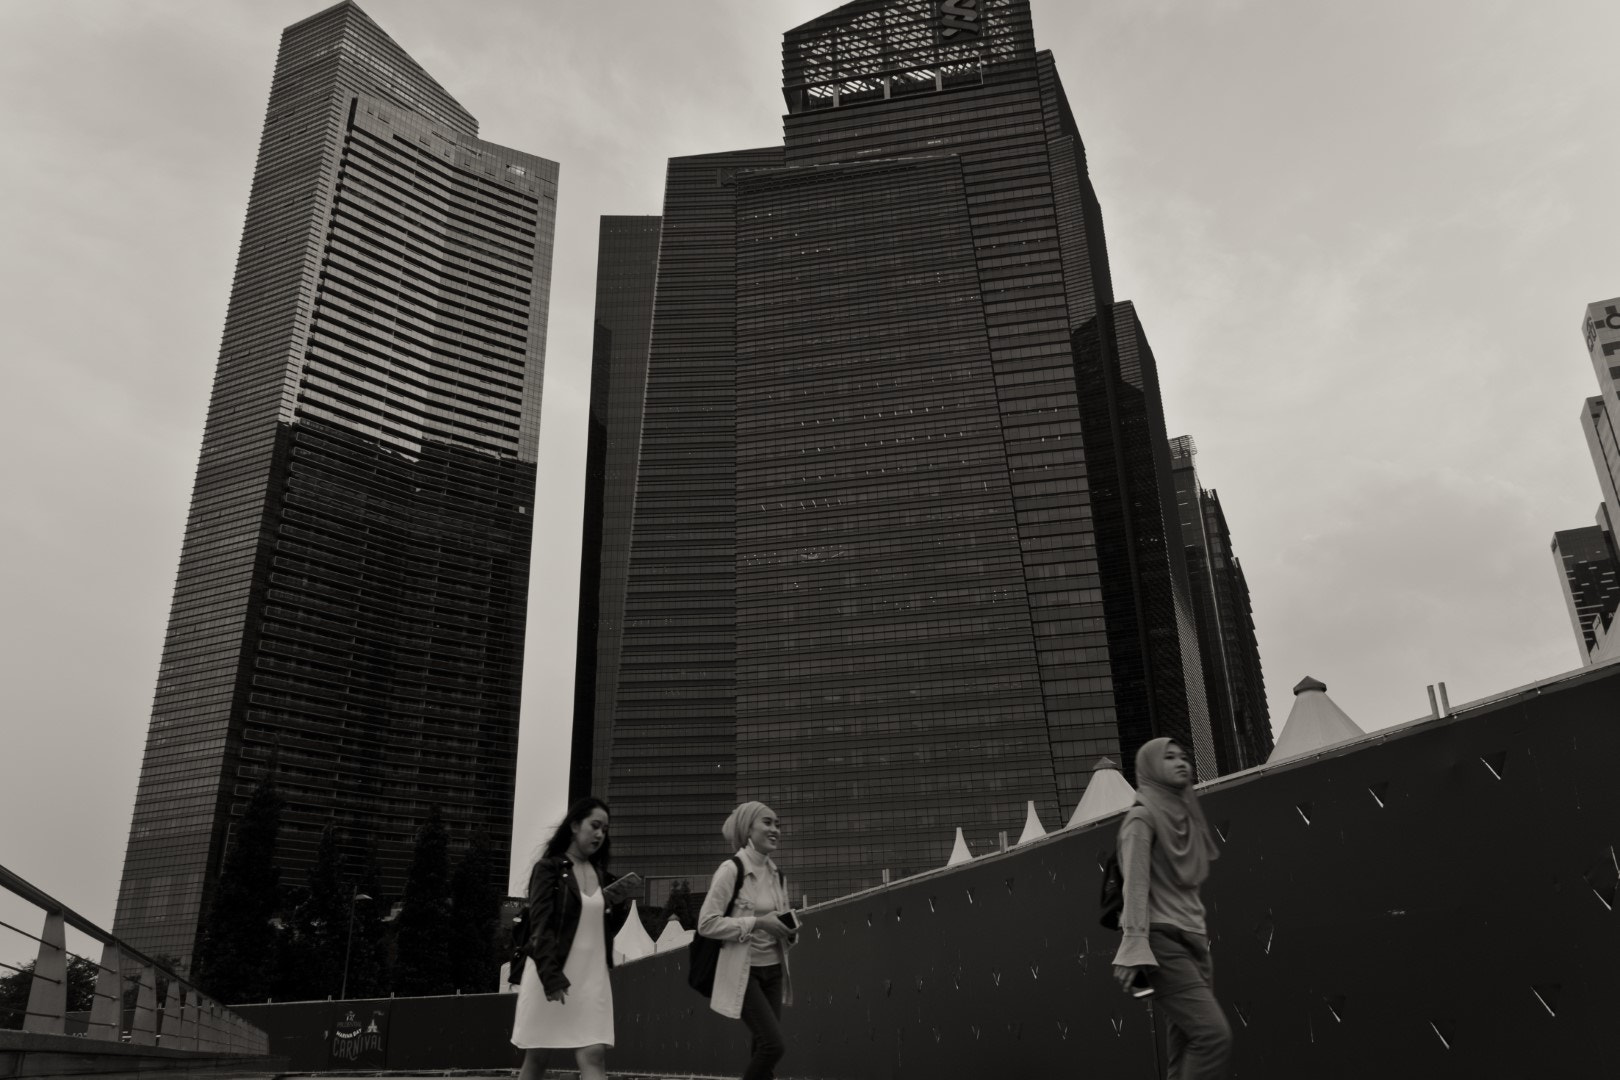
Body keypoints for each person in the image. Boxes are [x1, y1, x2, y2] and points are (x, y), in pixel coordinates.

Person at [1111, 738, 1233, 1079]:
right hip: (1163, 942)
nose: (1181, 762)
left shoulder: (1184, 818)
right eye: (1169, 757)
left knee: (1185, 1044)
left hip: (1194, 940)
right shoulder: (1142, 818)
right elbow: (1134, 884)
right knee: (1212, 1036)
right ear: (1150, 768)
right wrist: (1134, 944)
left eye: (1183, 756)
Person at [511, 797, 642, 1080]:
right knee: (537, 1058)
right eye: (595, 826)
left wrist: (608, 901)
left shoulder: (598, 873)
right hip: (552, 972)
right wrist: (551, 975)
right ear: (574, 825)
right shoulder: (548, 869)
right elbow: (541, 926)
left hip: (591, 978)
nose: (599, 834)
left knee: (594, 1055)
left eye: (605, 830)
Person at [697, 801, 797, 1080]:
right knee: (773, 1045)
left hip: (775, 970)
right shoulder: (731, 870)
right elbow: (706, 923)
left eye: (777, 824)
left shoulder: (778, 874)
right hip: (745, 971)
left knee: (762, 1049)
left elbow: (780, 919)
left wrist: (788, 930)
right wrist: (757, 922)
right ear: (747, 828)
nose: (775, 829)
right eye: (767, 822)